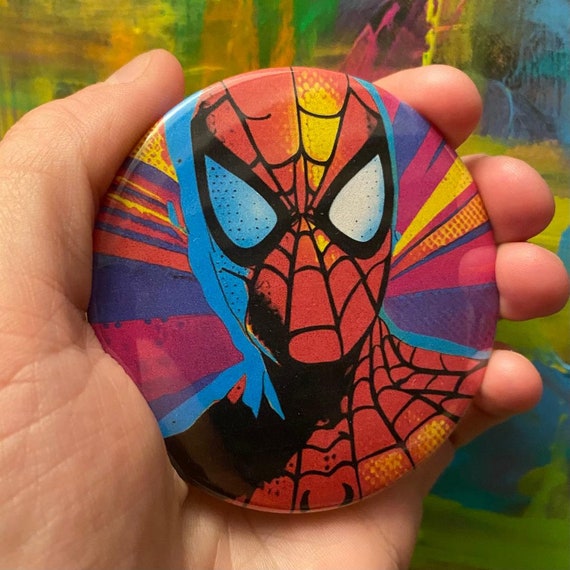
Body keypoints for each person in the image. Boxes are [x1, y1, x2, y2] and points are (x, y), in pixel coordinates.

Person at [0, 50, 567, 569]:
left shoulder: (431, 381)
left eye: (356, 208)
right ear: (189, 234)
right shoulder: (180, 434)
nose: (308, 261)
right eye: (242, 215)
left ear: (391, 225)